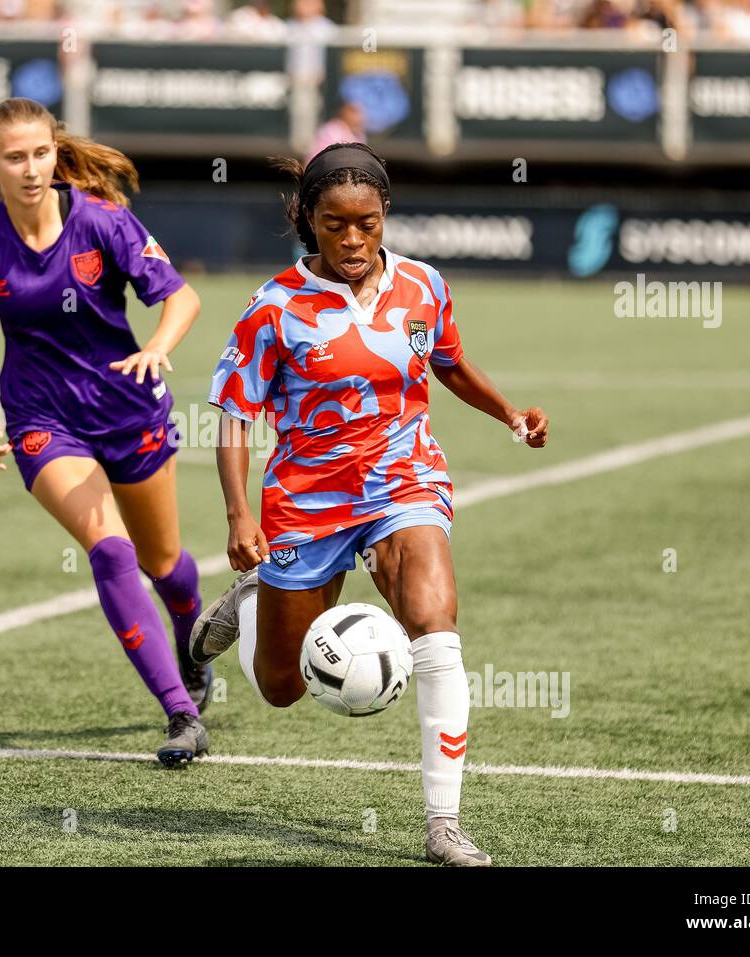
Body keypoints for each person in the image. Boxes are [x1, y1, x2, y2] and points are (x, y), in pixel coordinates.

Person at [190, 143, 550, 865]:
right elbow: (234, 416)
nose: (353, 240)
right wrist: (238, 515)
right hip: (305, 500)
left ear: (385, 216)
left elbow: (447, 362)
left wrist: (509, 412)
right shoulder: (273, 309)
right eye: (335, 225)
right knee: (282, 688)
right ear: (309, 222)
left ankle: (444, 823)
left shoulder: (423, 287)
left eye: (367, 223)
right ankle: (254, 598)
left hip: (403, 480)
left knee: (434, 622)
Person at [0, 97, 211, 766]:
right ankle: (181, 713)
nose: (31, 169)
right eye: (14, 157)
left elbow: (182, 296)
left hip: (128, 409)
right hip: (41, 419)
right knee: (111, 552)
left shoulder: (103, 223)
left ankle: (192, 640)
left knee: (168, 568)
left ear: (55, 153)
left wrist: (157, 344)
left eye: (40, 153)